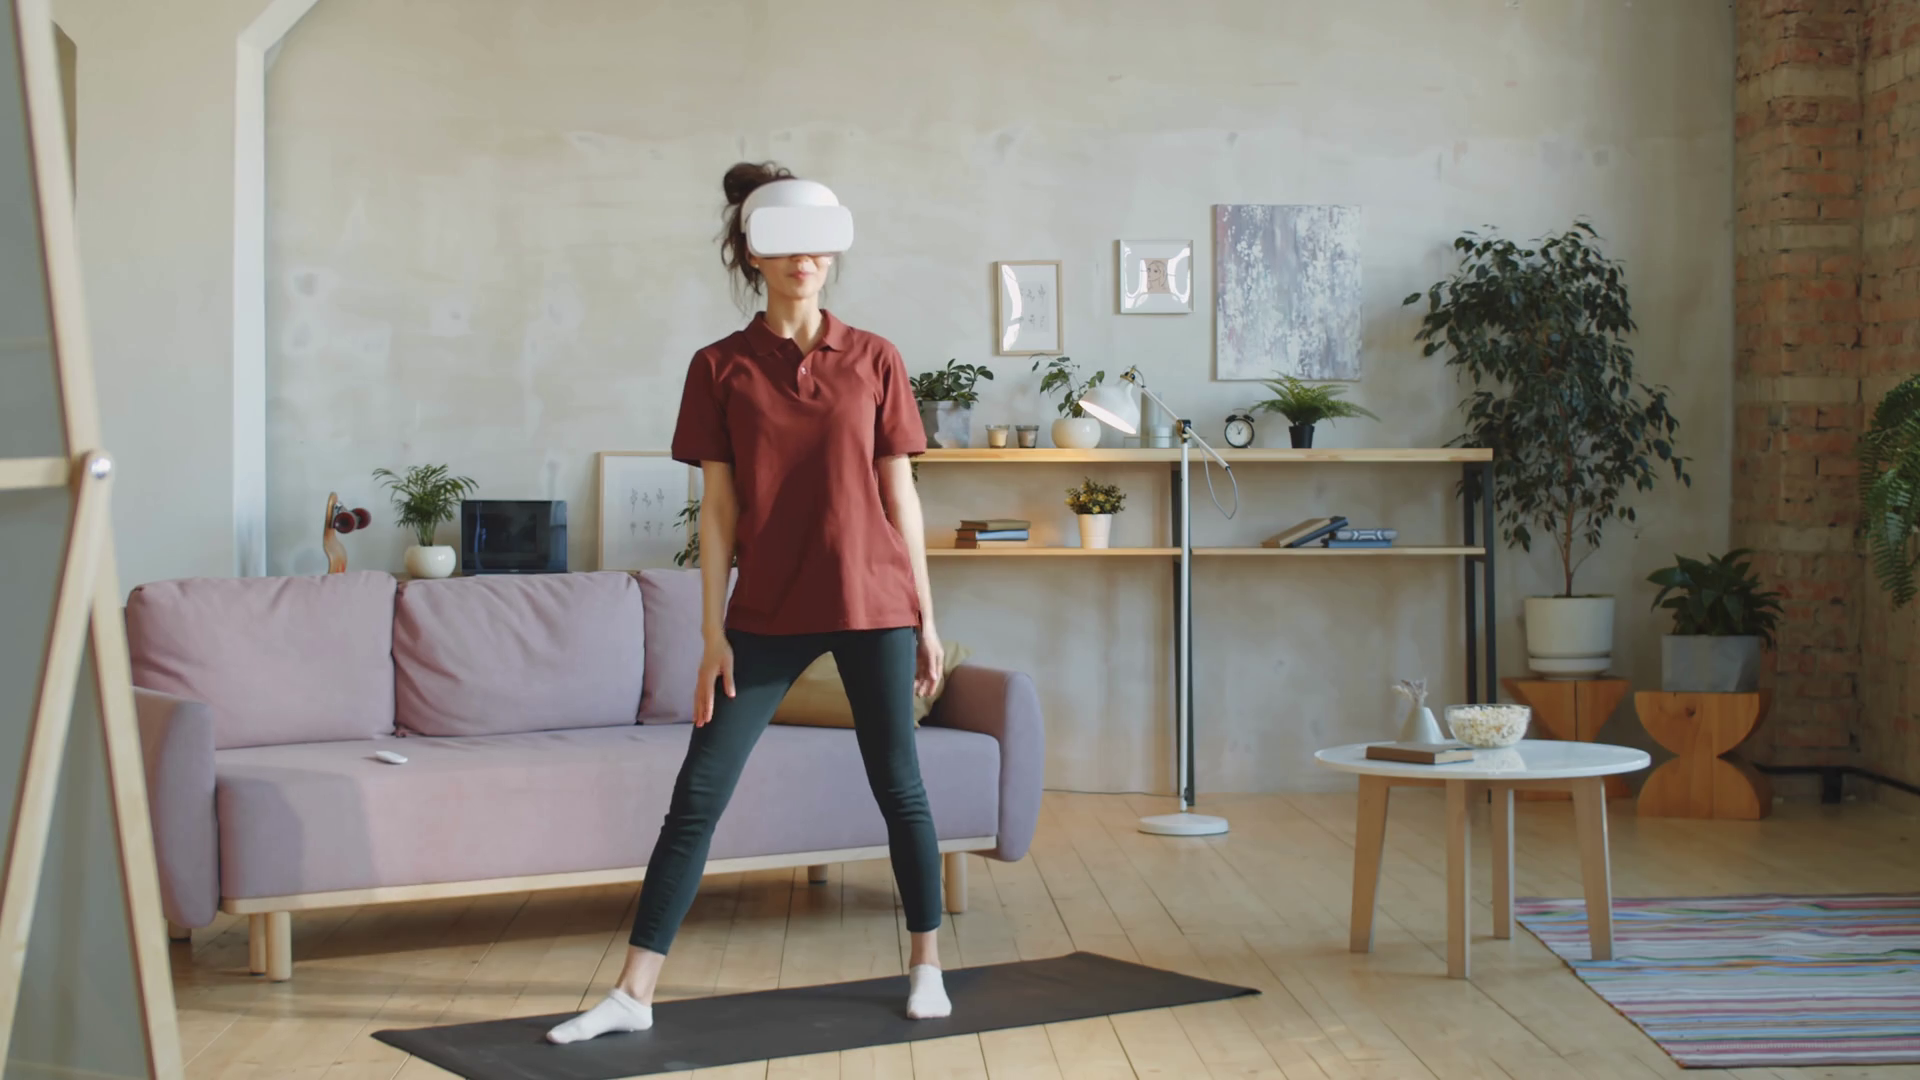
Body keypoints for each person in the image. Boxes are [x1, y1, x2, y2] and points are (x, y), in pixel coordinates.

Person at [548, 162, 951, 1044]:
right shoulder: (719, 367)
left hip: (874, 601)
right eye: (784, 244)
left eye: (818, 243)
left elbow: (902, 495)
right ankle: (633, 992)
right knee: (698, 793)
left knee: (900, 787)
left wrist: (927, 617)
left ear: (833, 252)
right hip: (765, 609)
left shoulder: (875, 358)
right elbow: (718, 510)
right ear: (752, 254)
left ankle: (926, 965)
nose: (805, 258)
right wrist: (711, 632)